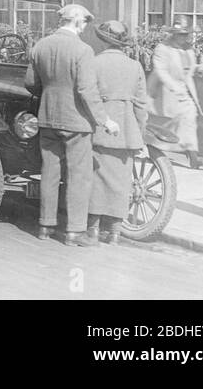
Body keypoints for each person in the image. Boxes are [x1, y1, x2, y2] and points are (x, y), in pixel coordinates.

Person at [24, 3, 120, 246]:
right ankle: (74, 232)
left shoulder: (40, 46)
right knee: (79, 176)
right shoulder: (83, 50)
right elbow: (86, 90)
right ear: (77, 22)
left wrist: (50, 93)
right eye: (85, 22)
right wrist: (105, 120)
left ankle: (45, 226)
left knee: (50, 173)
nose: (86, 26)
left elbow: (30, 83)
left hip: (47, 118)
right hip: (76, 122)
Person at [89, 20, 151, 244]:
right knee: (121, 181)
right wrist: (140, 135)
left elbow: (88, 97)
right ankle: (115, 232)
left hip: (100, 126)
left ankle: (93, 228)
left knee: (96, 177)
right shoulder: (135, 67)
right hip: (126, 130)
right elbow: (141, 106)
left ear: (103, 41)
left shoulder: (94, 63)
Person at [148, 20, 203, 168]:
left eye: (186, 34)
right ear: (173, 34)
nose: (184, 38)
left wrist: (200, 67)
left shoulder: (188, 49)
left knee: (189, 117)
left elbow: (188, 70)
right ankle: (155, 150)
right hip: (164, 90)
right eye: (180, 35)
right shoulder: (163, 49)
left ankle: (193, 154)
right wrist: (174, 87)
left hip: (184, 91)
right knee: (168, 123)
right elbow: (161, 71)